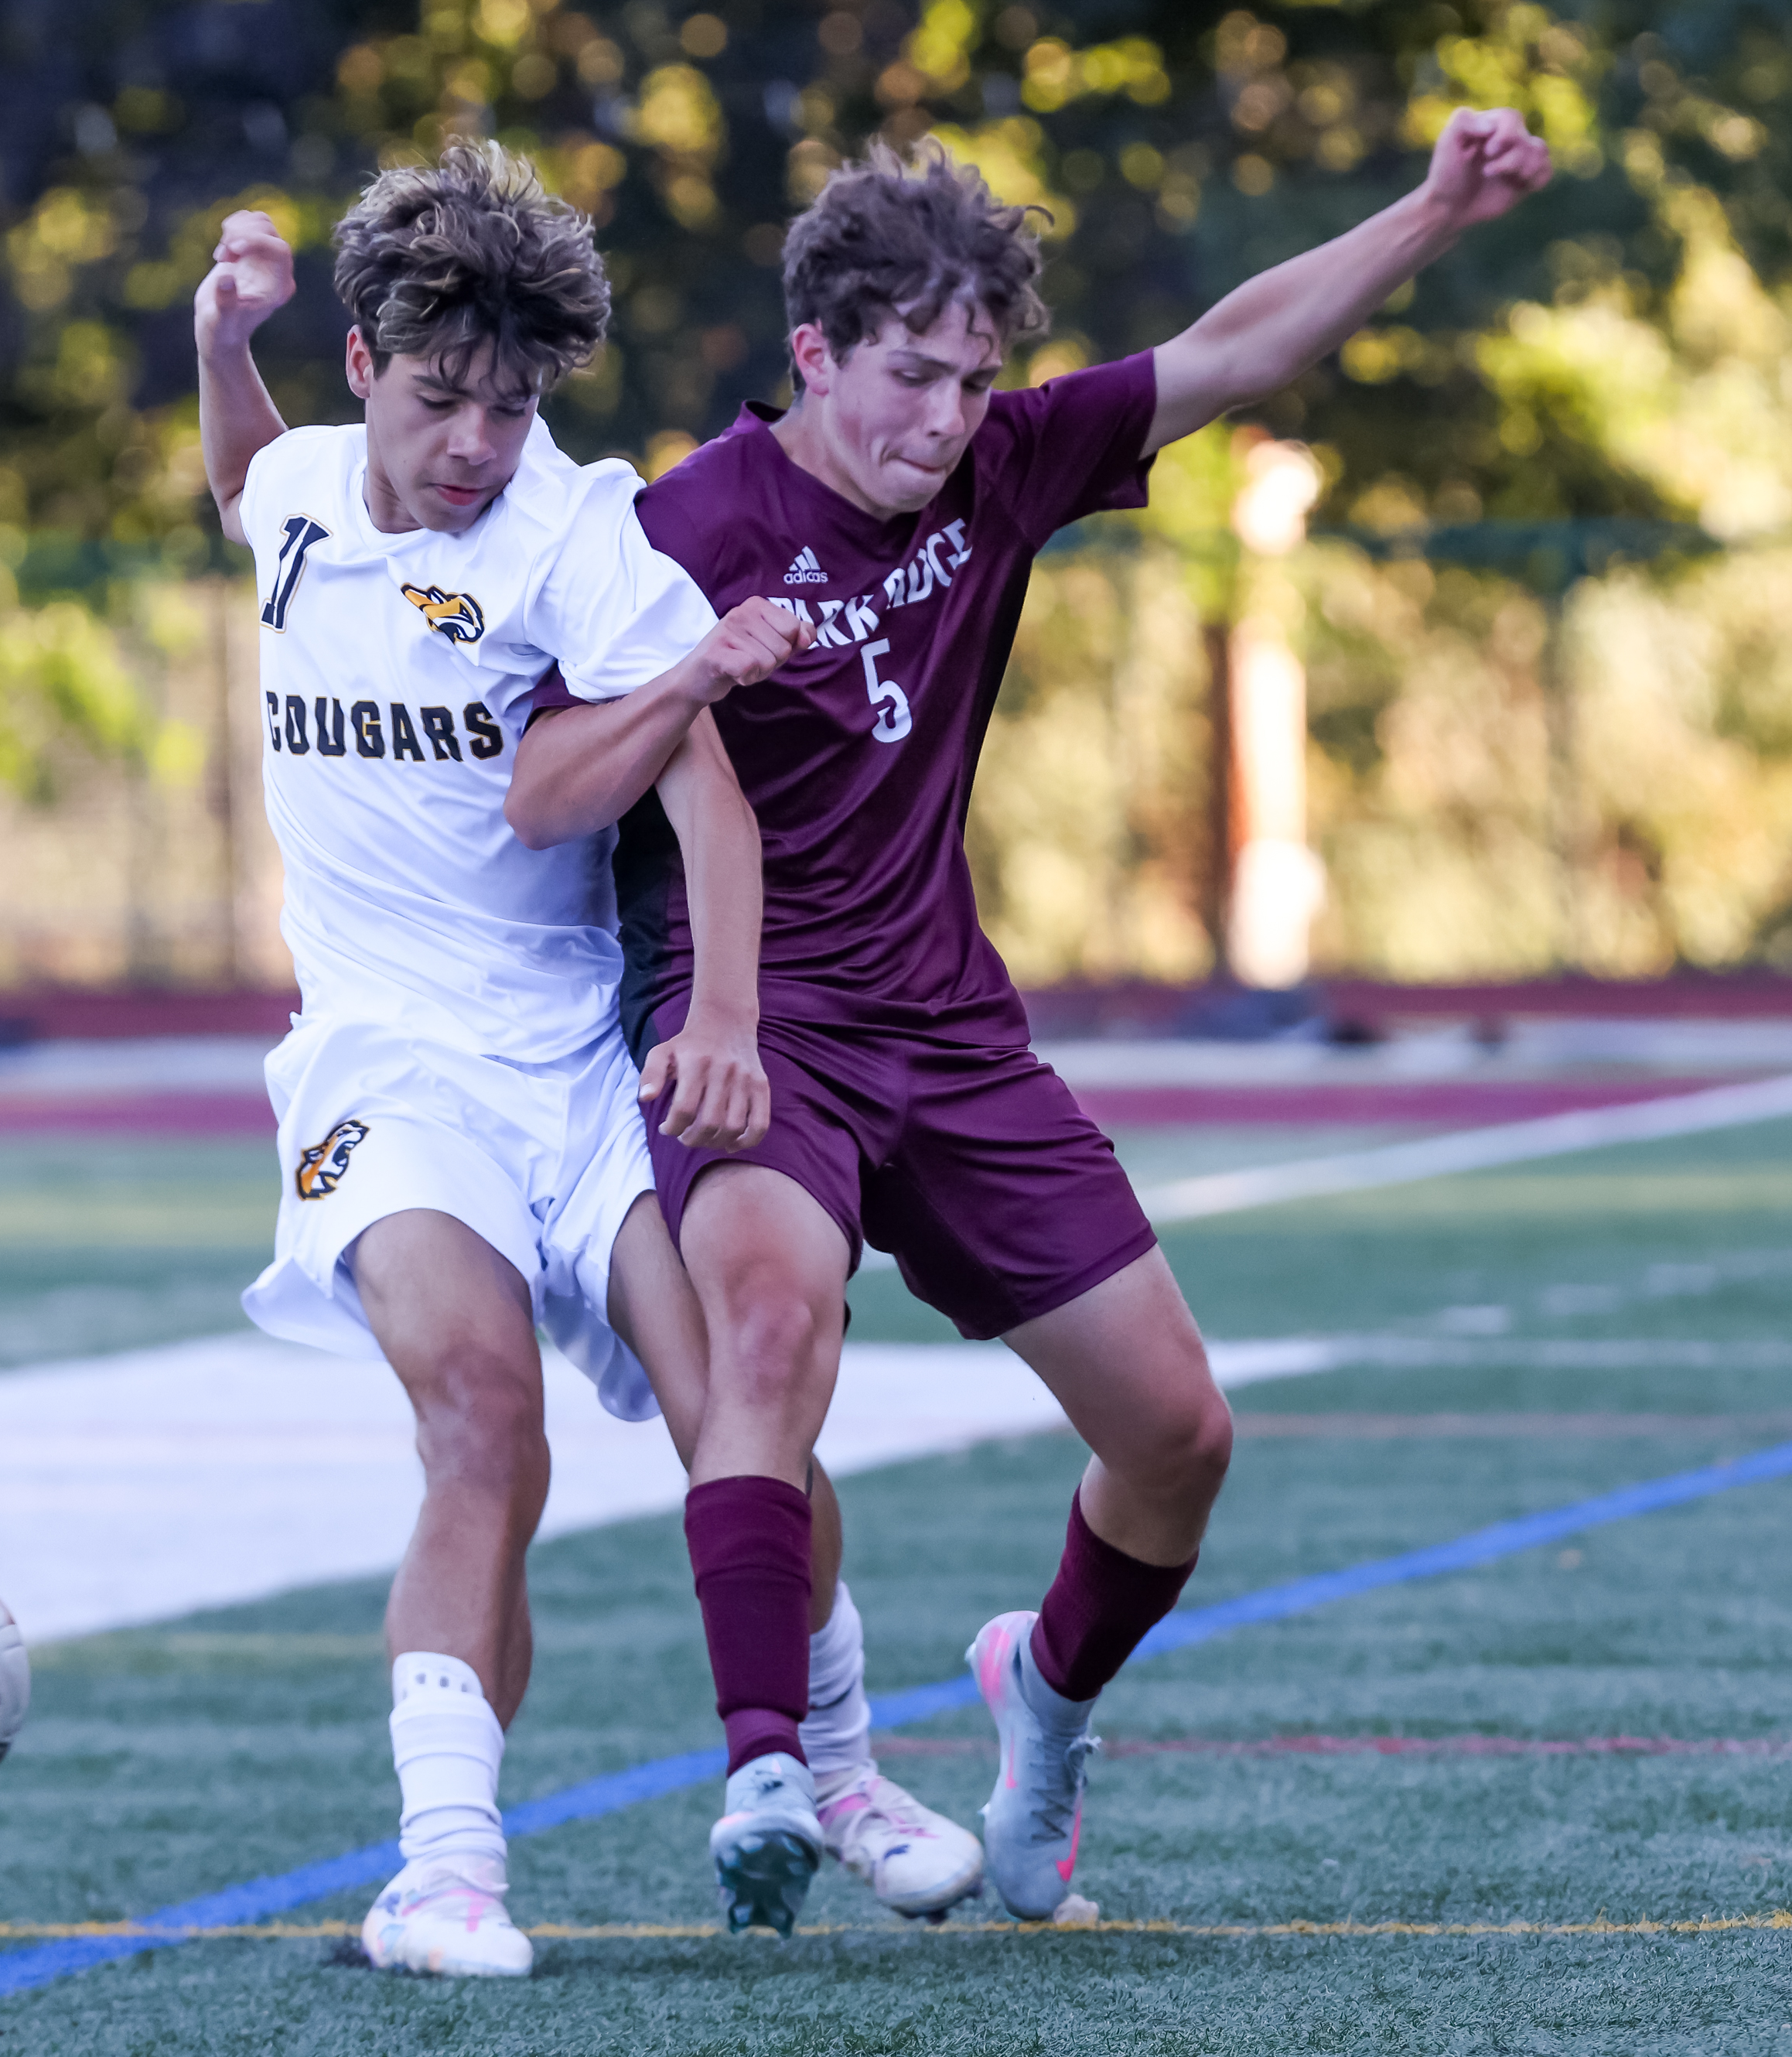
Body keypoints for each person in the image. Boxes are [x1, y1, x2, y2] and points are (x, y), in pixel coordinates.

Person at [509, 110, 1554, 1931]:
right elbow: (548, 773)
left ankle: (1043, 1715)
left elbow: (1241, 346)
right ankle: (769, 1762)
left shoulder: (1003, 463)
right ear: (816, 354)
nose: (944, 419)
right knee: (770, 1323)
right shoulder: (679, 529)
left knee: (1179, 1436)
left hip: (954, 1033)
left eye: (975, 379)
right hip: (751, 1024)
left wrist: (1436, 209)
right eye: (910, 376)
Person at [194, 144, 985, 1972]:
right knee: (483, 1411)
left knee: (742, 1404)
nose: (476, 442)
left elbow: (709, 790)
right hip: (386, 1072)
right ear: (367, 367)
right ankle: (445, 1872)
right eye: (443, 398)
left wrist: (718, 1020)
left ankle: (844, 1772)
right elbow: (243, 476)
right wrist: (222, 337)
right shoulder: (309, 487)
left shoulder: (570, 531)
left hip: (573, 1057)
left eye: (514, 404)